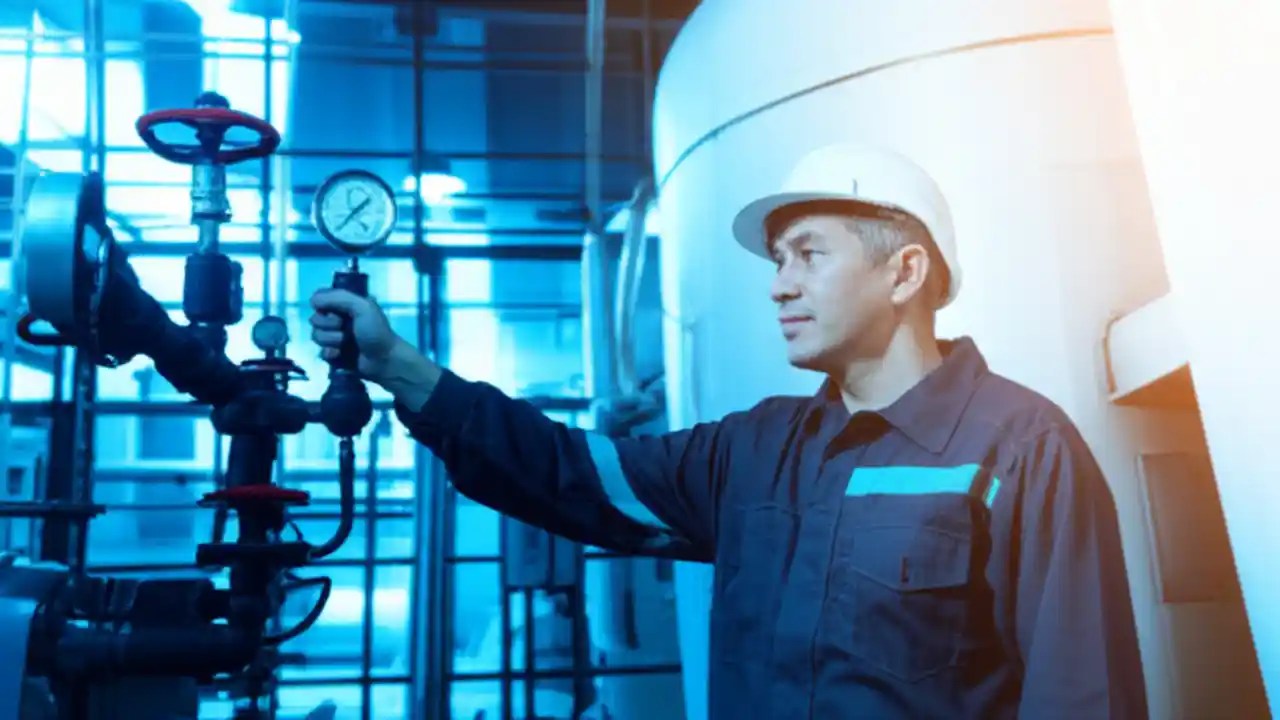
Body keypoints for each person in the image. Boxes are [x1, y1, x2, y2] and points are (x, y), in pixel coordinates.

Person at [309, 144, 1149, 720]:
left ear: (906, 271)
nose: (778, 286)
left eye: (808, 255)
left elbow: (1085, 696)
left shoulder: (1018, 447)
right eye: (776, 261)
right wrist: (401, 369)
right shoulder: (756, 451)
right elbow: (571, 473)